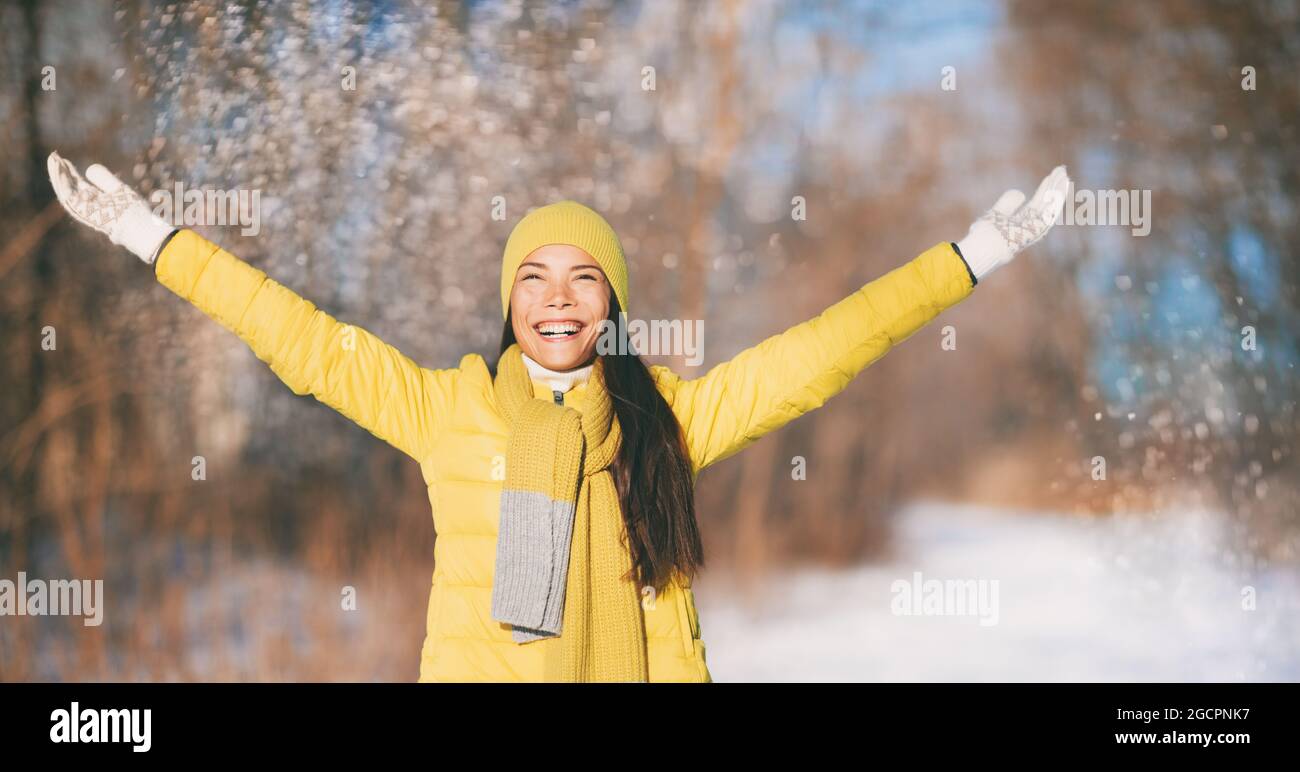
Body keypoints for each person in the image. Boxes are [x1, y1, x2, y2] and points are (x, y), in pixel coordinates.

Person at [46, 152, 1070, 682]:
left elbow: (817, 354)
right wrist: (150, 233)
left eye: (585, 278)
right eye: (532, 277)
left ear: (612, 306)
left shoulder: (663, 424)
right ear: (509, 303)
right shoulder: (446, 410)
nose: (557, 296)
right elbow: (297, 336)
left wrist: (966, 259)